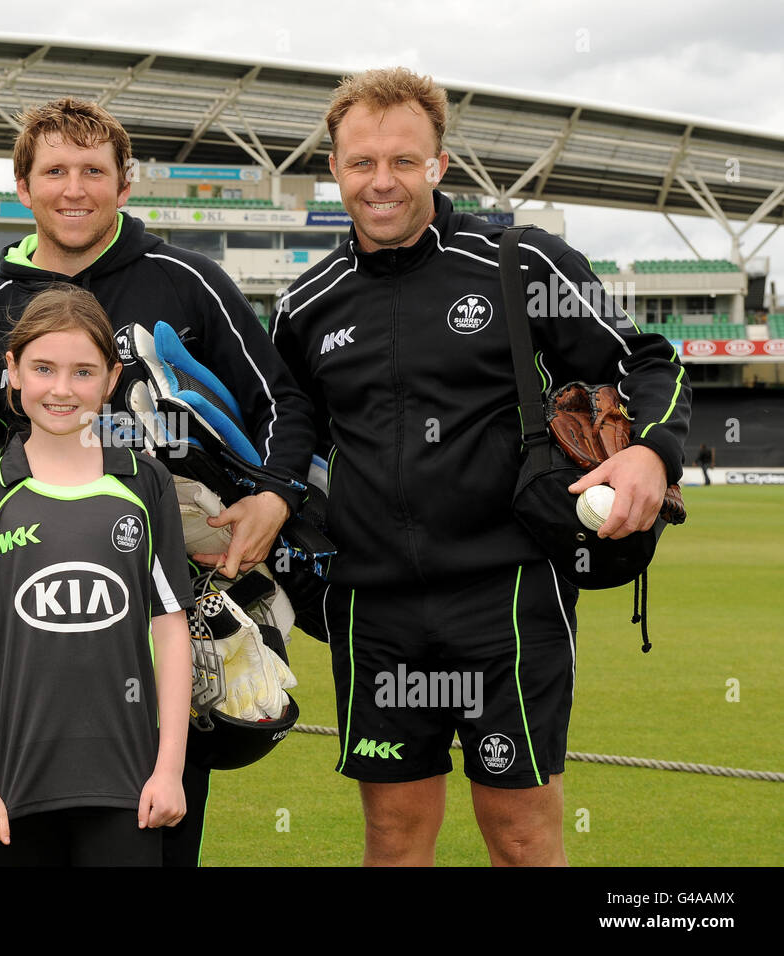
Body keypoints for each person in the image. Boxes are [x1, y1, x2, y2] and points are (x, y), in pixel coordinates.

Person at [271, 67, 691, 866]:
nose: (382, 181)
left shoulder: (520, 264)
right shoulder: (306, 304)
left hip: (509, 597)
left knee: (524, 838)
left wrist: (649, 449)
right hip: (373, 607)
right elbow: (292, 430)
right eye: (361, 162)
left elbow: (646, 359)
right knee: (393, 841)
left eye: (405, 160)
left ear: (439, 164)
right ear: (333, 168)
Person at [0, 96, 315, 866]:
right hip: (43, 642)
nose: (75, 189)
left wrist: (273, 495)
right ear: (23, 185)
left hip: (177, 615)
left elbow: (282, 399)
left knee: (157, 840)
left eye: (94, 171)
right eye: (55, 171)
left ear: (124, 184)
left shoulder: (188, 282)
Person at [0, 285, 193, 866]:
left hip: (130, 785)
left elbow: (172, 630)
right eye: (43, 368)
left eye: (82, 371)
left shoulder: (145, 485)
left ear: (113, 377)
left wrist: (170, 769)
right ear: (13, 371)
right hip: (15, 788)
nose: (62, 389)